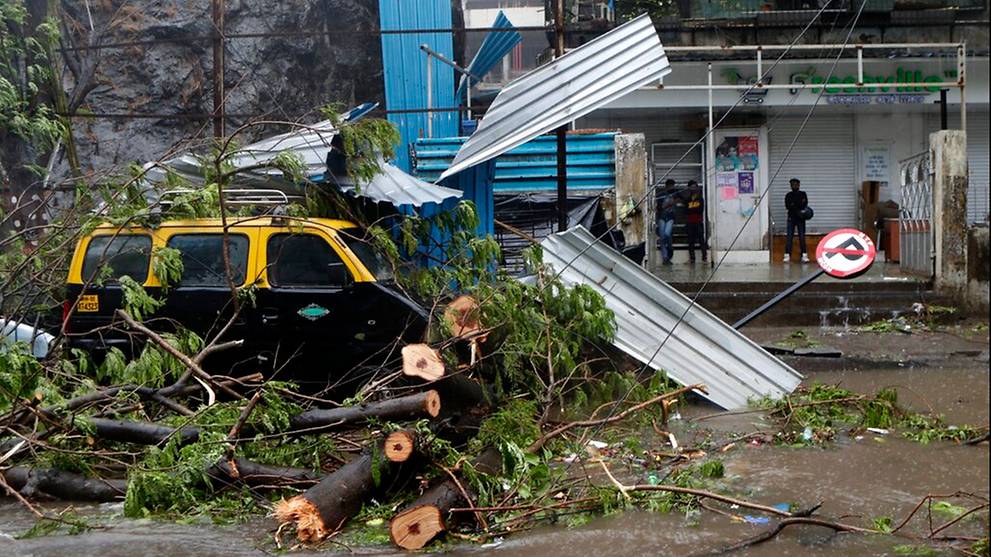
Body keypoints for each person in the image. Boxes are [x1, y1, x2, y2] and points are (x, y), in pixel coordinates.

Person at [784, 177, 809, 263]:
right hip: (791, 218)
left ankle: (804, 255)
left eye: (795, 184)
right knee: (789, 237)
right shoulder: (788, 195)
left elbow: (804, 204)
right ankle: (787, 255)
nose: (794, 186)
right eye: (792, 184)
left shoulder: (803, 194)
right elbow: (788, 206)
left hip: (801, 218)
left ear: (799, 185)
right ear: (790, 186)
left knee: (802, 237)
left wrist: (794, 204)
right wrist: (798, 204)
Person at [684, 181, 707, 263]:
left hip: (698, 222)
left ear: (697, 188)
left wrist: (692, 208)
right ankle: (692, 258)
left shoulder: (700, 199)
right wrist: (693, 209)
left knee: (701, 240)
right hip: (690, 222)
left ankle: (704, 257)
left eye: (694, 187)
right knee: (691, 241)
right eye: (691, 187)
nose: (693, 189)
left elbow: (700, 210)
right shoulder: (687, 199)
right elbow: (686, 211)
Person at [656, 179, 677, 265]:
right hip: (662, 217)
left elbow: (683, 198)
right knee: (662, 237)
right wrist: (667, 204)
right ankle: (665, 257)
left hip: (670, 218)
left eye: (673, 186)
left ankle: (670, 248)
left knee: (667, 234)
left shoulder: (675, 194)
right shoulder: (661, 195)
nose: (672, 187)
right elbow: (659, 207)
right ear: (667, 186)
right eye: (671, 186)